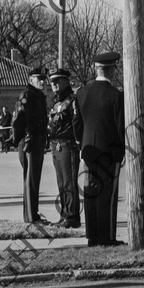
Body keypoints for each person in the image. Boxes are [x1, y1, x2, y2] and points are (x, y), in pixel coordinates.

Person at [72, 52, 126, 247]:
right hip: (109, 152)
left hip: (87, 149)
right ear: (112, 69)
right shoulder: (117, 95)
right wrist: (122, 151)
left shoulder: (82, 92)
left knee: (90, 192)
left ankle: (92, 235)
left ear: (96, 68)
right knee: (107, 194)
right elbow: (120, 127)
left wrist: (80, 145)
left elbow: (76, 123)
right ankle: (107, 235)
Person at [12, 66, 50, 225]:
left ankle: (32, 214)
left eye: (43, 79)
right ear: (30, 80)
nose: (42, 82)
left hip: (37, 141)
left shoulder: (39, 96)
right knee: (30, 179)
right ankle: (30, 217)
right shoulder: (27, 96)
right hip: (29, 142)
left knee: (34, 179)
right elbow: (18, 120)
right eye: (38, 79)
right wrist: (23, 138)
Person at [48, 68, 81, 229]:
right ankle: (65, 214)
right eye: (52, 82)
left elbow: (77, 125)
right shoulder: (57, 102)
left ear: (66, 82)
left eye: (57, 81)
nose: (53, 84)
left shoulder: (72, 100)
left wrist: (79, 144)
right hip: (56, 145)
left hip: (68, 145)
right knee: (61, 183)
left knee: (69, 182)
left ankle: (72, 216)